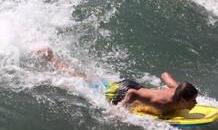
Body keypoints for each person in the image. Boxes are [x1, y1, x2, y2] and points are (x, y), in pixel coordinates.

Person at [33, 47, 200, 117]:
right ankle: (51, 58)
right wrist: (121, 109)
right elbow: (133, 94)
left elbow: (165, 75)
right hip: (124, 91)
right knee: (80, 81)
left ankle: (53, 59)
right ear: (183, 100)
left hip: (132, 84)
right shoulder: (161, 104)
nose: (196, 103)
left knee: (87, 79)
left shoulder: (176, 89)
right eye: (193, 100)